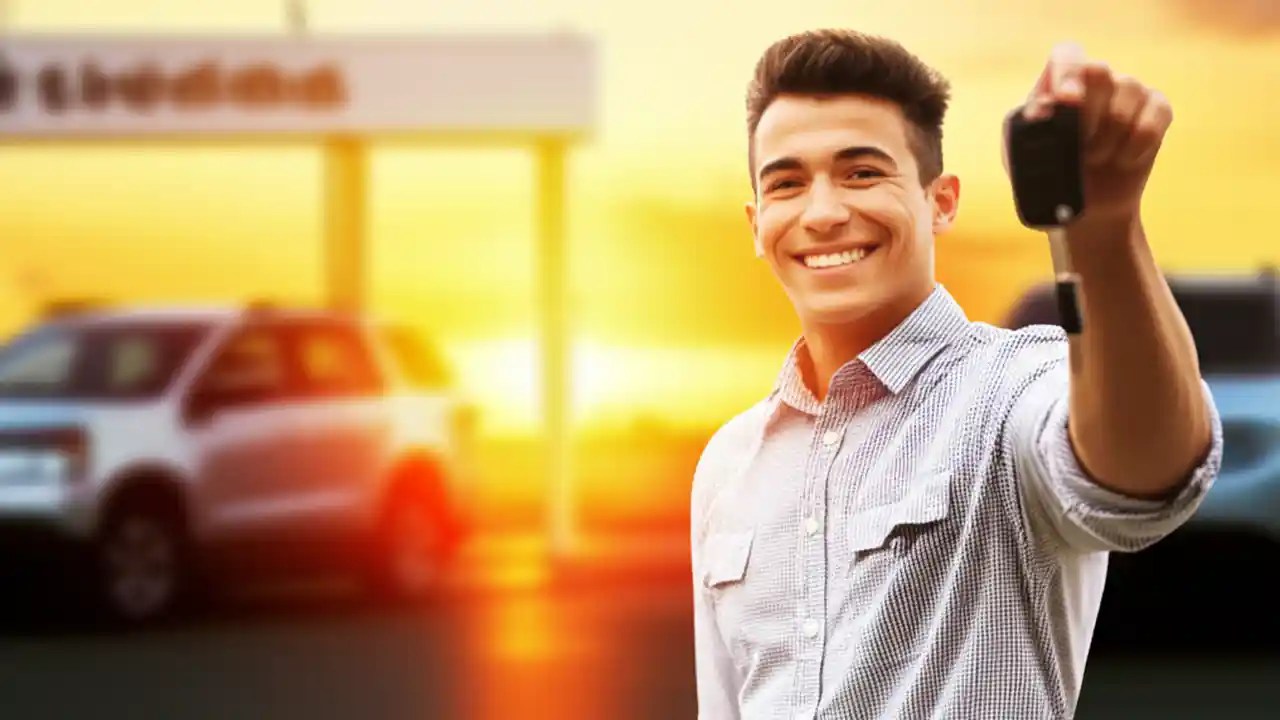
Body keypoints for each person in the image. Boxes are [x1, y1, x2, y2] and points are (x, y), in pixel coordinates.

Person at [690, 29, 1223, 719]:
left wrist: (1101, 230)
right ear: (757, 224)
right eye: (788, 183)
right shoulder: (729, 463)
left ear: (940, 201)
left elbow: (1144, 477)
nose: (822, 213)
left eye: (861, 173)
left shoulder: (1012, 391)